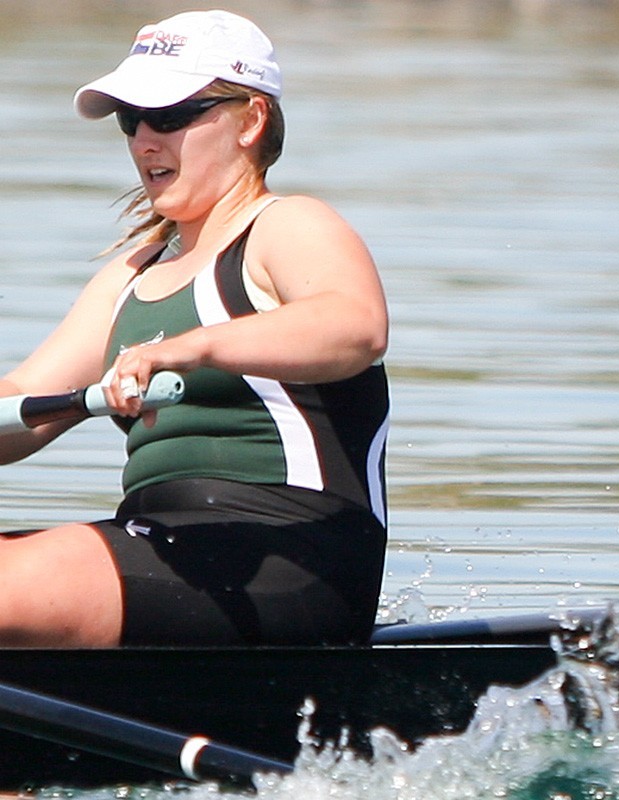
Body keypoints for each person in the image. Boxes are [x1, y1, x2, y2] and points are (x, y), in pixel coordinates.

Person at [0, 10, 390, 646]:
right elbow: (20, 407)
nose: (146, 140)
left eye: (172, 116)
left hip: (291, 557)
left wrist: (193, 348)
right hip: (162, 549)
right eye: (133, 120)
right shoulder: (131, 275)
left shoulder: (288, 227)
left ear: (251, 120)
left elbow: (355, 327)